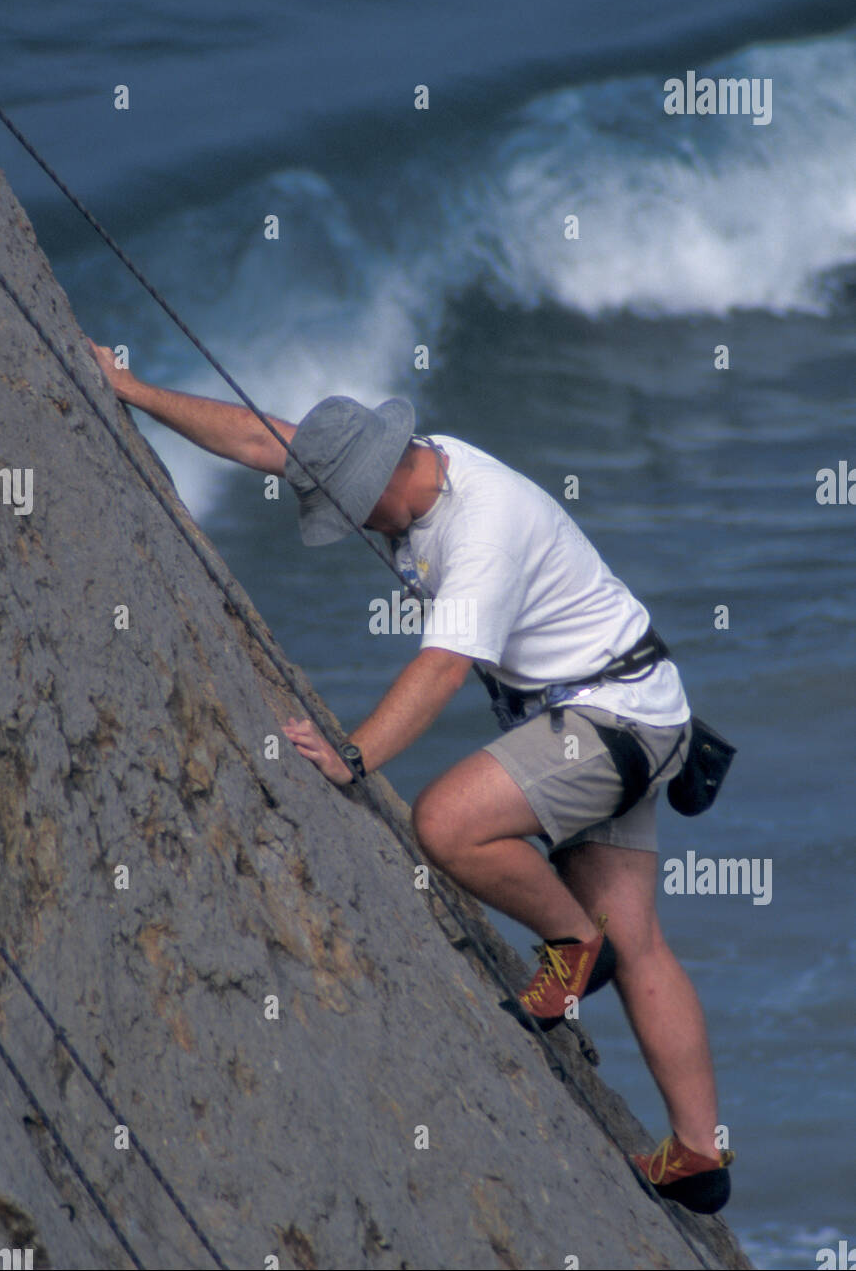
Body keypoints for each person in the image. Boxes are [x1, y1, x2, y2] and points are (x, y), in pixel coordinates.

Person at [88, 343, 734, 1213]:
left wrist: (353, 753)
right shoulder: (400, 469)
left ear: (383, 482)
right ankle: (700, 1152)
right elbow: (259, 438)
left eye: (352, 513)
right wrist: (125, 387)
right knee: (642, 940)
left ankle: (577, 946)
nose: (354, 528)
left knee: (448, 824)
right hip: (631, 704)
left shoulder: (483, 530)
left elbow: (438, 670)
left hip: (611, 720)